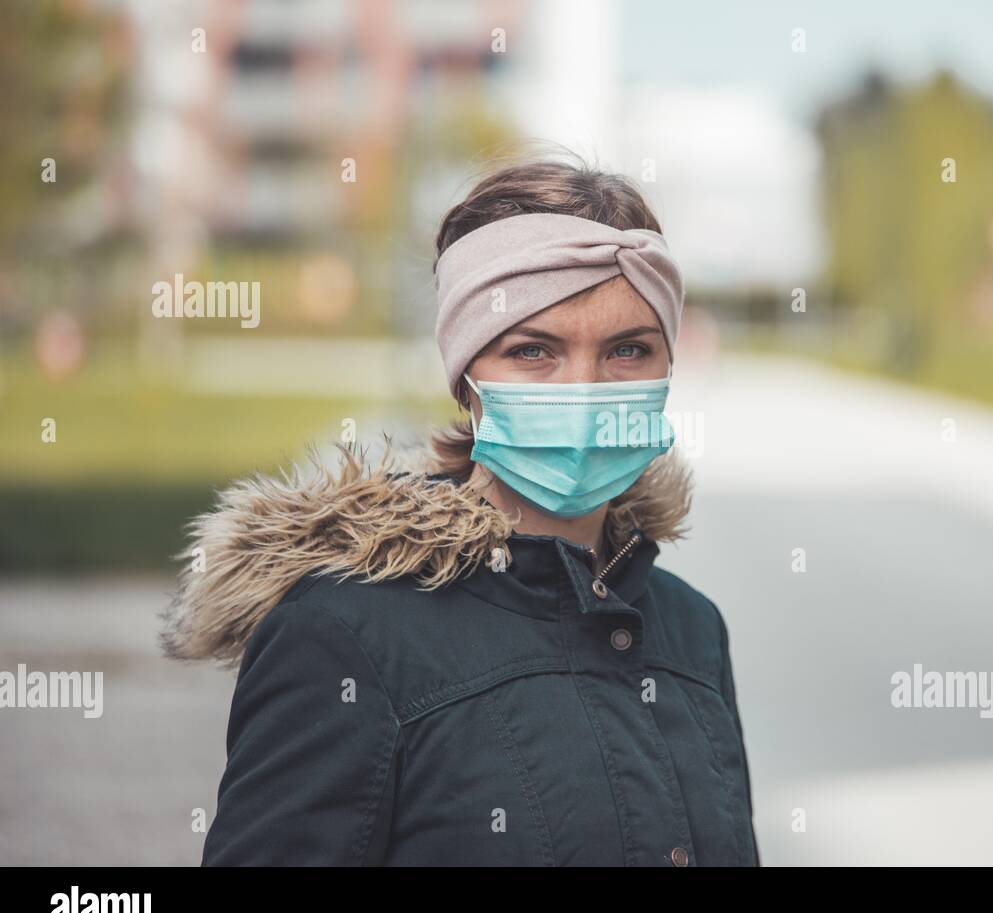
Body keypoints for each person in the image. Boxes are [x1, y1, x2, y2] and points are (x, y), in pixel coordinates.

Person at [159, 152, 760, 867]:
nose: (584, 390)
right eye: (534, 350)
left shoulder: (692, 630)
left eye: (628, 349)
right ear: (466, 381)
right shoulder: (343, 636)